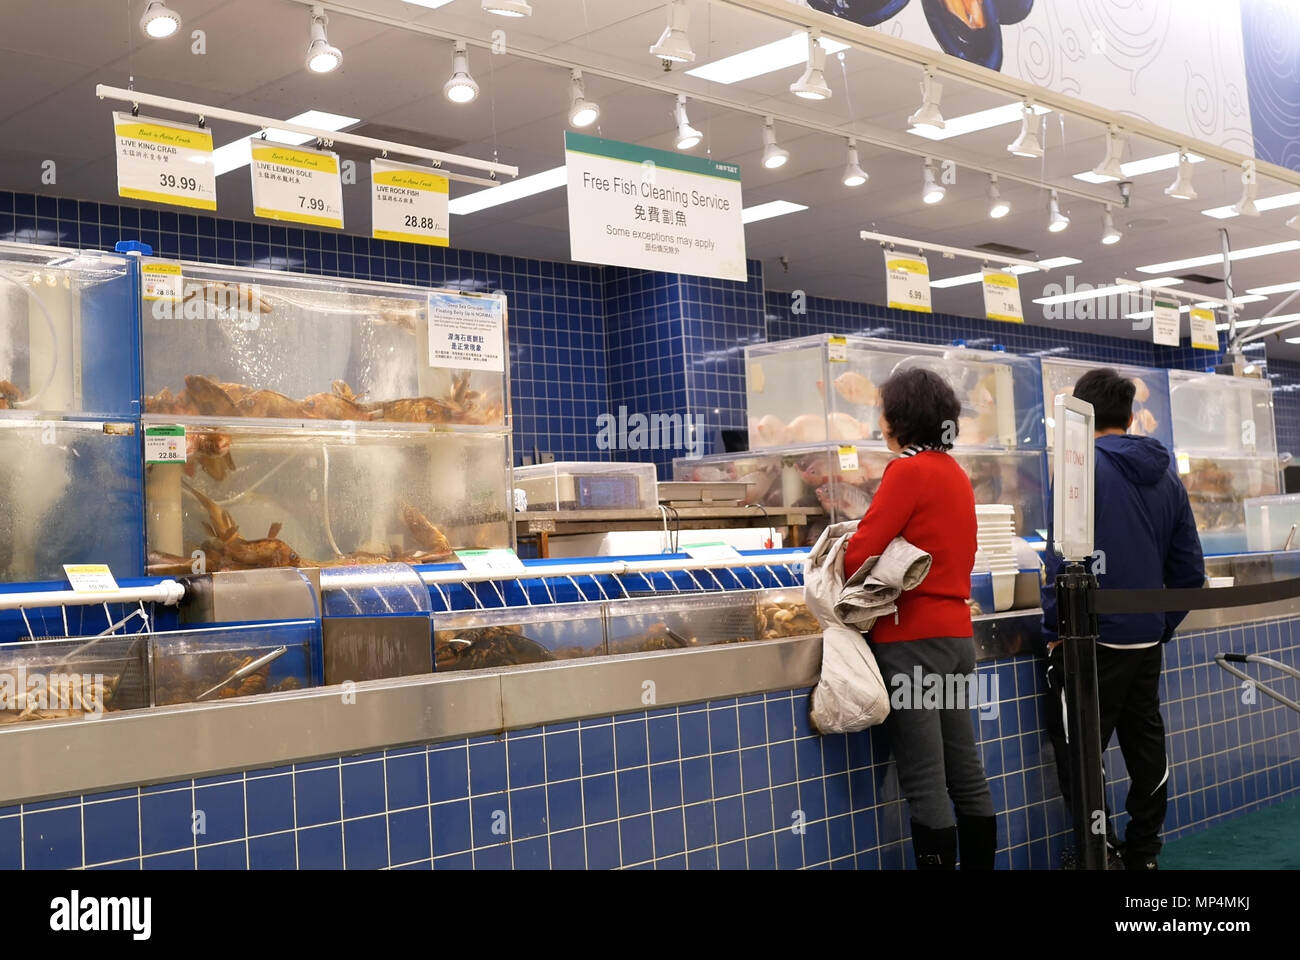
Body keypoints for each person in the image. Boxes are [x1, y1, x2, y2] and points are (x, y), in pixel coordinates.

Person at [1041, 368, 1205, 870]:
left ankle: (1100, 852)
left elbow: (1061, 562)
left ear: (1082, 415)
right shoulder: (1167, 477)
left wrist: (1056, 630)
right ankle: (1144, 853)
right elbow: (1189, 572)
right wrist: (1159, 623)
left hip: (1091, 641)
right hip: (1144, 639)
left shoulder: (1077, 469)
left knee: (1081, 750)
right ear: (1131, 416)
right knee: (1145, 743)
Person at [843, 367, 996, 870]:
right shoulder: (954, 472)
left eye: (881, 410)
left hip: (912, 642)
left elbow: (859, 554)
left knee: (925, 779)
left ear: (897, 419)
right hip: (955, 638)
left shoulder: (906, 472)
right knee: (965, 769)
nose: (878, 420)